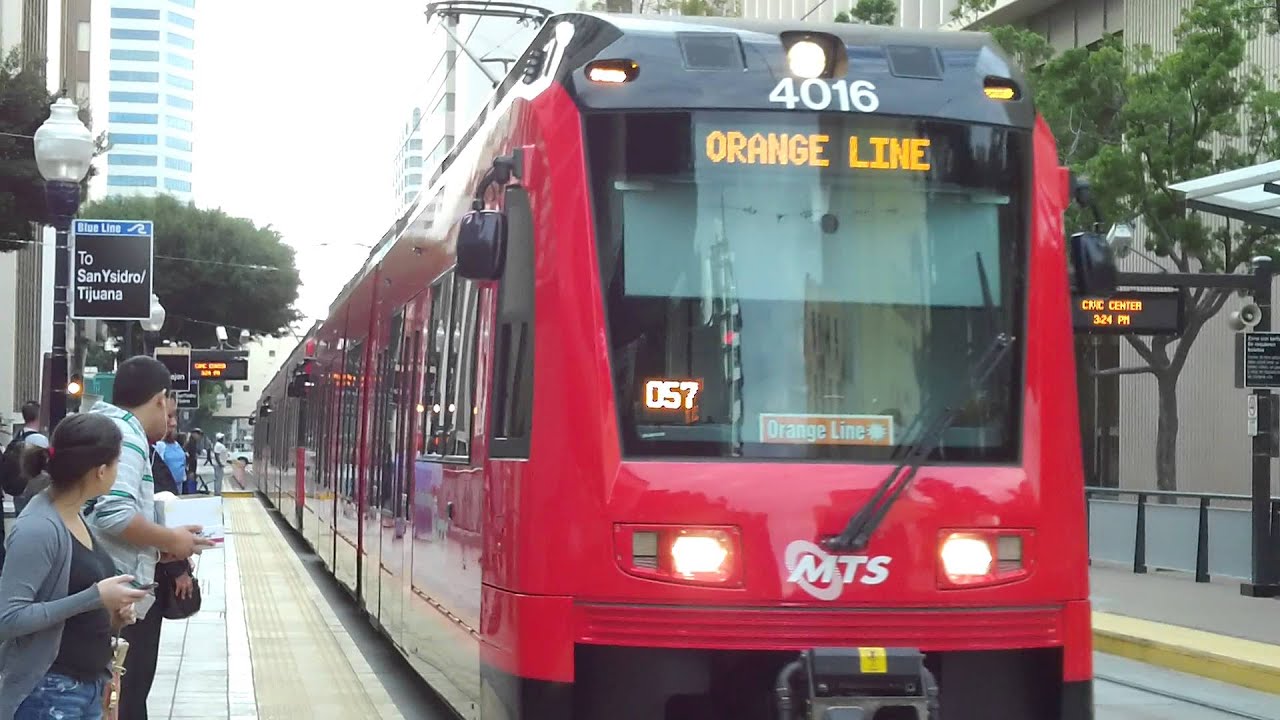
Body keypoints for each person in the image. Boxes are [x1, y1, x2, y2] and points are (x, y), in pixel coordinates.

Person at [84, 357, 213, 720]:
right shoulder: (128, 435)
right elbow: (113, 514)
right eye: (169, 407)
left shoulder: (107, 425)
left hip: (107, 586)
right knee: (125, 699)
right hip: (117, 596)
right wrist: (171, 540)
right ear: (160, 399)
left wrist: (160, 549)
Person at [0, 413, 149, 720]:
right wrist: (95, 597)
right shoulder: (39, 527)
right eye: (118, 463)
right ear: (100, 470)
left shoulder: (76, 516)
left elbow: (70, 604)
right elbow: (9, 617)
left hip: (84, 688)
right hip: (49, 692)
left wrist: (113, 612)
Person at [0, 402, 50, 570]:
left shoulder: (17, 435)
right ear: (38, 415)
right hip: (32, 491)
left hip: (18, 491)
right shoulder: (39, 440)